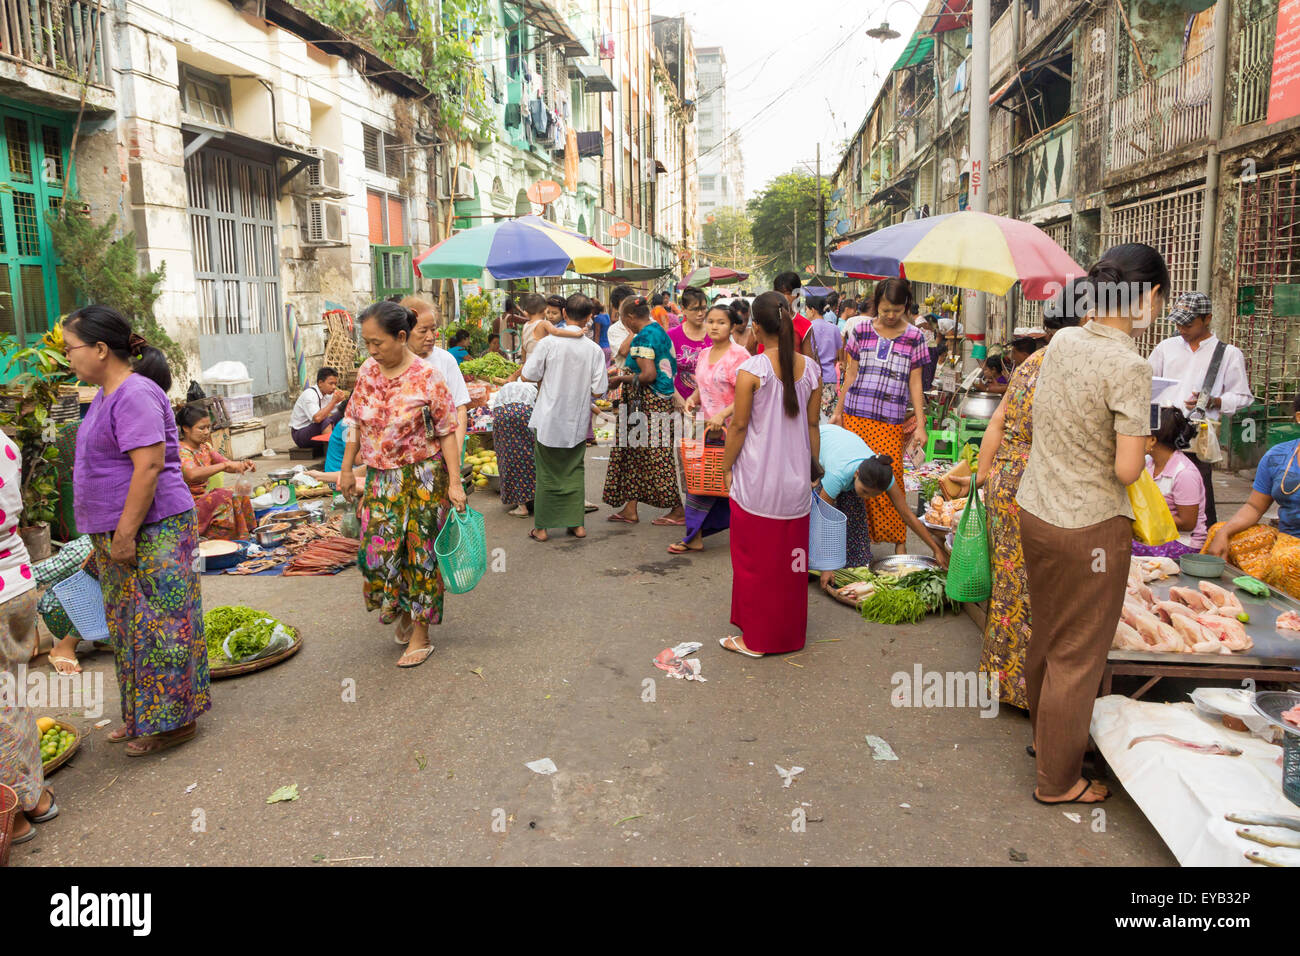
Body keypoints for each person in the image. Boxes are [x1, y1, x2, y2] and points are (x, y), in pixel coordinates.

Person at [1016, 244, 1165, 805]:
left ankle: (1047, 742)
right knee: (1079, 654)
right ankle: (1058, 780)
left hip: (1039, 511)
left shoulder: (1063, 341)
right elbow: (1127, 468)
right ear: (1149, 296)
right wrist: (1146, 445)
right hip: (1090, 525)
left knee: (1049, 638)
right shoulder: (1130, 364)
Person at [65, 304, 209, 756]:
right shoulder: (107, 394)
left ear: (102, 349)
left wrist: (125, 534)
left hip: (153, 527)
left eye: (72, 349)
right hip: (119, 530)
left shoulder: (136, 394)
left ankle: (175, 721)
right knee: (128, 624)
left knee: (162, 623)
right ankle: (143, 715)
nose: (69, 357)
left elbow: (147, 467)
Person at [339, 302, 466, 668]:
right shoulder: (367, 373)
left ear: (400, 336)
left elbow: (446, 432)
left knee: (420, 557)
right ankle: (404, 610)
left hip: (424, 477)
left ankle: (422, 635)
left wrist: (454, 483)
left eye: (377, 342)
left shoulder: (428, 376)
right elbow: (354, 424)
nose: (372, 350)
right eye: (367, 343)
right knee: (378, 557)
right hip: (380, 479)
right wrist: (348, 470)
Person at [974, 292, 1084, 711]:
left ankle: (1001, 680)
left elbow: (998, 420)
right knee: (1038, 591)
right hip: (1039, 484)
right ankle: (1032, 692)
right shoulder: (1073, 368)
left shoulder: (1031, 363)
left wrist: (983, 477)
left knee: (1008, 586)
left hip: (1007, 481)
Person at [718, 292, 821, 658]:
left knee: (754, 563)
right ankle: (787, 633)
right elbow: (813, 426)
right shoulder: (811, 370)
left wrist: (725, 467)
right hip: (795, 486)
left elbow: (739, 428)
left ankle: (756, 640)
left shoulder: (753, 371)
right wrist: (812, 470)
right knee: (791, 565)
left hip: (758, 483)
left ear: (757, 327)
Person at [830, 278, 930, 555]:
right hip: (856, 416)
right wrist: (838, 412)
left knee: (890, 478)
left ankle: (899, 544)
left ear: (905, 306)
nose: (889, 315)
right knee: (856, 480)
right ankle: (855, 542)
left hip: (890, 421)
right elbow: (850, 374)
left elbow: (915, 382)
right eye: (885, 309)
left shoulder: (915, 336)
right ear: (877, 304)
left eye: (896, 310)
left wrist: (921, 424)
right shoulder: (861, 328)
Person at [1148, 290, 1254, 526]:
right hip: (1161, 432)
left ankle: (1201, 545)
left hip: (1197, 439)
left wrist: (1214, 401)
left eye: (1188, 324)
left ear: (1207, 319)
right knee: (1156, 491)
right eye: (1177, 323)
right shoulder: (1166, 348)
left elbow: (1243, 397)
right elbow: (1147, 385)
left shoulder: (1228, 354)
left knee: (1198, 496)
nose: (1181, 329)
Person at [0, 426, 58, 847]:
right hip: (17, 584)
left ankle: (11, 816)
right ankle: (34, 799)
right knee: (12, 696)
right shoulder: (6, 443)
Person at [521, 293, 609, 542]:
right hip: (577, 420)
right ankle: (576, 524)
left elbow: (528, 374)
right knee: (573, 470)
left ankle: (542, 529)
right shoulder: (593, 350)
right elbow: (599, 390)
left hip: (548, 418)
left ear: (565, 314)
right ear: (589, 317)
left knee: (547, 472)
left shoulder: (549, 344)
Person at [815, 424, 948, 580]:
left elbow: (907, 515)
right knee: (817, 516)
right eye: (865, 491)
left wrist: (935, 548)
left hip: (844, 450)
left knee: (856, 522)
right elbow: (822, 518)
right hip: (816, 443)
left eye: (872, 495)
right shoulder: (837, 475)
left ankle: (850, 562)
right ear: (857, 474)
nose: (866, 497)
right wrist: (827, 565)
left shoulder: (884, 476)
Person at [671, 303, 751, 554]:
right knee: (703, 484)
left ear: (732, 326)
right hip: (707, 429)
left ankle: (746, 533)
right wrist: (694, 397)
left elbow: (746, 394)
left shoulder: (740, 356)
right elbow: (703, 384)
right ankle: (694, 535)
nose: (714, 326)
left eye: (721, 322)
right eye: (711, 321)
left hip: (734, 430)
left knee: (731, 484)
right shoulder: (705, 353)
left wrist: (723, 414)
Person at [1204, 394, 1300, 595]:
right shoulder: (1278, 456)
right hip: (1286, 538)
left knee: (1286, 560)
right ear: (1299, 417)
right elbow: (1254, 507)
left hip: (1290, 552)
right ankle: (1221, 604)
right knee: (1218, 533)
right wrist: (1224, 533)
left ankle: (1286, 615)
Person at [603, 296, 686, 526]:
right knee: (634, 455)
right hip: (657, 401)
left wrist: (620, 378)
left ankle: (678, 510)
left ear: (629, 317)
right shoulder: (658, 330)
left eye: (621, 317)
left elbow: (648, 375)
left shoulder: (643, 337)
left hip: (648, 403)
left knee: (657, 457)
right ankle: (630, 508)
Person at [1131, 407, 1207, 559]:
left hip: (1182, 543)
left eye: (1140, 435)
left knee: (1117, 547)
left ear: (1152, 440)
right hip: (1157, 534)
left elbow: (1187, 522)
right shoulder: (1147, 464)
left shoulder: (1184, 474)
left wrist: (1143, 517)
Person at [402, 297, 471, 461]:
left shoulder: (445, 359)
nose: (431, 336)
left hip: (439, 453)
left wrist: (457, 450)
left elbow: (460, 409)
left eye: (433, 330)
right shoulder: (392, 362)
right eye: (423, 331)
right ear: (404, 331)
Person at [176, 405, 257, 540]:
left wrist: (242, 465)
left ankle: (250, 532)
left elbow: (226, 464)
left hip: (204, 498)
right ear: (186, 428)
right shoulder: (182, 450)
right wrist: (225, 465)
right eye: (202, 428)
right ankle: (240, 537)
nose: (207, 432)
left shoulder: (205, 447)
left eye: (208, 427)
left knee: (239, 491)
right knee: (223, 495)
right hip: (189, 504)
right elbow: (191, 474)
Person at [35, 535, 102, 676]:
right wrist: (30, 626)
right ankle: (64, 646)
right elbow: (32, 577)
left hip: (89, 613)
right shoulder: (81, 550)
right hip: (60, 614)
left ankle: (103, 638)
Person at [491, 379, 539, 518]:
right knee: (530, 454)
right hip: (524, 413)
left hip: (501, 414)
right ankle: (535, 495)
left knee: (509, 457)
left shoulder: (510, 387)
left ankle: (521, 505)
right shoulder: (535, 388)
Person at [668, 286, 711, 402]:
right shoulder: (672, 336)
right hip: (680, 403)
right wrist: (678, 399)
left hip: (710, 405)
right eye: (695, 309)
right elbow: (663, 371)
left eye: (703, 308)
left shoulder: (714, 333)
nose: (701, 313)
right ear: (683, 309)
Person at [290, 366, 349, 448]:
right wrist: (334, 401)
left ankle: (347, 446)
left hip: (315, 429)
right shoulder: (309, 395)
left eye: (335, 384)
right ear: (320, 383)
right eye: (331, 383)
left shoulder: (328, 394)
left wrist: (345, 403)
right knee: (324, 420)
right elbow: (317, 418)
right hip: (300, 434)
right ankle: (331, 450)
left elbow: (341, 410)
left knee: (344, 413)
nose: (334, 387)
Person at [806, 294, 843, 421]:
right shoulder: (834, 328)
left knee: (811, 416)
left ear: (812, 310)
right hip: (830, 376)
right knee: (827, 417)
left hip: (812, 377)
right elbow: (838, 353)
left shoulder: (808, 328)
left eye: (806, 309)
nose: (806, 313)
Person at [591, 299, 612, 364]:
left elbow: (597, 335)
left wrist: (595, 349)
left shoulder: (598, 319)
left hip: (601, 347)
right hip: (608, 347)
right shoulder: (607, 315)